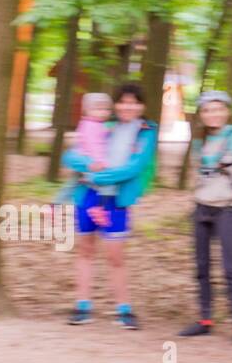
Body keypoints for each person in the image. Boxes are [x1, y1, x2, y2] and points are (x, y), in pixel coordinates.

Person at [60, 83, 158, 329]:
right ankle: (82, 305)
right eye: (123, 101)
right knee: (85, 251)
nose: (128, 106)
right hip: (87, 196)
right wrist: (85, 165)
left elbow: (134, 167)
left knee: (115, 256)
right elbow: (70, 156)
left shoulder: (146, 131)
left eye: (134, 102)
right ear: (116, 104)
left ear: (142, 105)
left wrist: (97, 176)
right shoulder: (104, 125)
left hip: (116, 200)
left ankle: (124, 308)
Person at [178, 90, 232, 350]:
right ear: (201, 115)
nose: (213, 114)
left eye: (218, 109)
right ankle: (204, 319)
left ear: (227, 111)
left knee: (231, 270)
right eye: (207, 110)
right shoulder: (199, 143)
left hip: (227, 210)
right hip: (202, 209)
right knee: (201, 268)